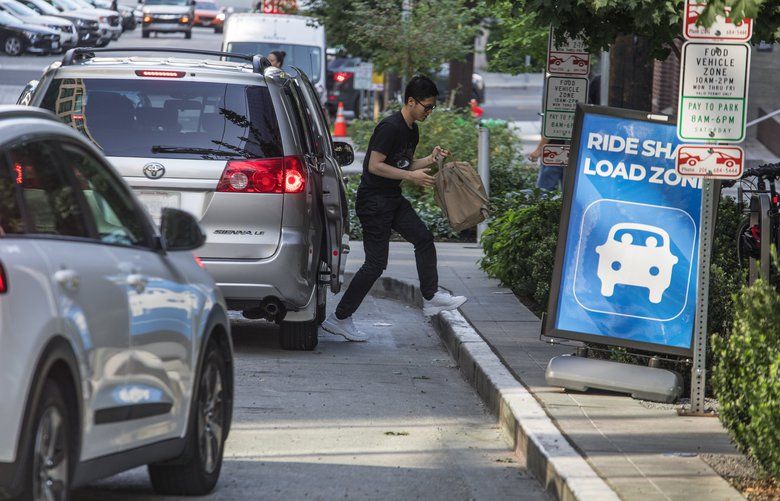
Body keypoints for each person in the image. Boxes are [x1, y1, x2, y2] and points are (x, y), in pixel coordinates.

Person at [321, 75, 468, 342]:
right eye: (427, 107)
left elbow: (402, 164)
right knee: (375, 264)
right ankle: (339, 318)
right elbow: (375, 165)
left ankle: (431, 297)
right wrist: (411, 177)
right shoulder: (390, 127)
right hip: (374, 201)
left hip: (392, 198)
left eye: (433, 107)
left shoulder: (412, 130)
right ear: (411, 101)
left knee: (423, 238)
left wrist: (430, 159)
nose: (429, 112)